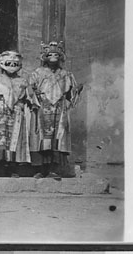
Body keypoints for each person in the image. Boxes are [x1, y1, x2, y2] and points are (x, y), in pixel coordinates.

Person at [28, 41, 83, 180]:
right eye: (50, 54)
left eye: (56, 54)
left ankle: (54, 169)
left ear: (60, 56)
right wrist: (34, 98)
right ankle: (40, 170)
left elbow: (71, 94)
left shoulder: (66, 74)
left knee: (57, 138)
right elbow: (29, 88)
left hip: (59, 108)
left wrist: (76, 91)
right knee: (41, 138)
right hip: (42, 107)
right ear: (45, 57)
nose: (53, 57)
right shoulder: (37, 73)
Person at [0, 50, 34, 177]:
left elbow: (29, 97)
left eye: (15, 63)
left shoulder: (23, 81)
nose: (12, 66)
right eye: (9, 63)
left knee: (14, 139)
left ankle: (12, 168)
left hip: (16, 111)